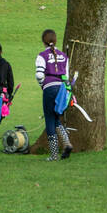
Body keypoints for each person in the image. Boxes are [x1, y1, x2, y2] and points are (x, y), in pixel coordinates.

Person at [35, 30, 74, 161]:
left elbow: (39, 74)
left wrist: (43, 85)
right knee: (57, 118)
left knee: (50, 119)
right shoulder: (64, 56)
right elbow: (67, 77)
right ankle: (67, 143)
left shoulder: (42, 55)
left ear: (43, 41)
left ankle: (53, 155)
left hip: (49, 88)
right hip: (62, 89)